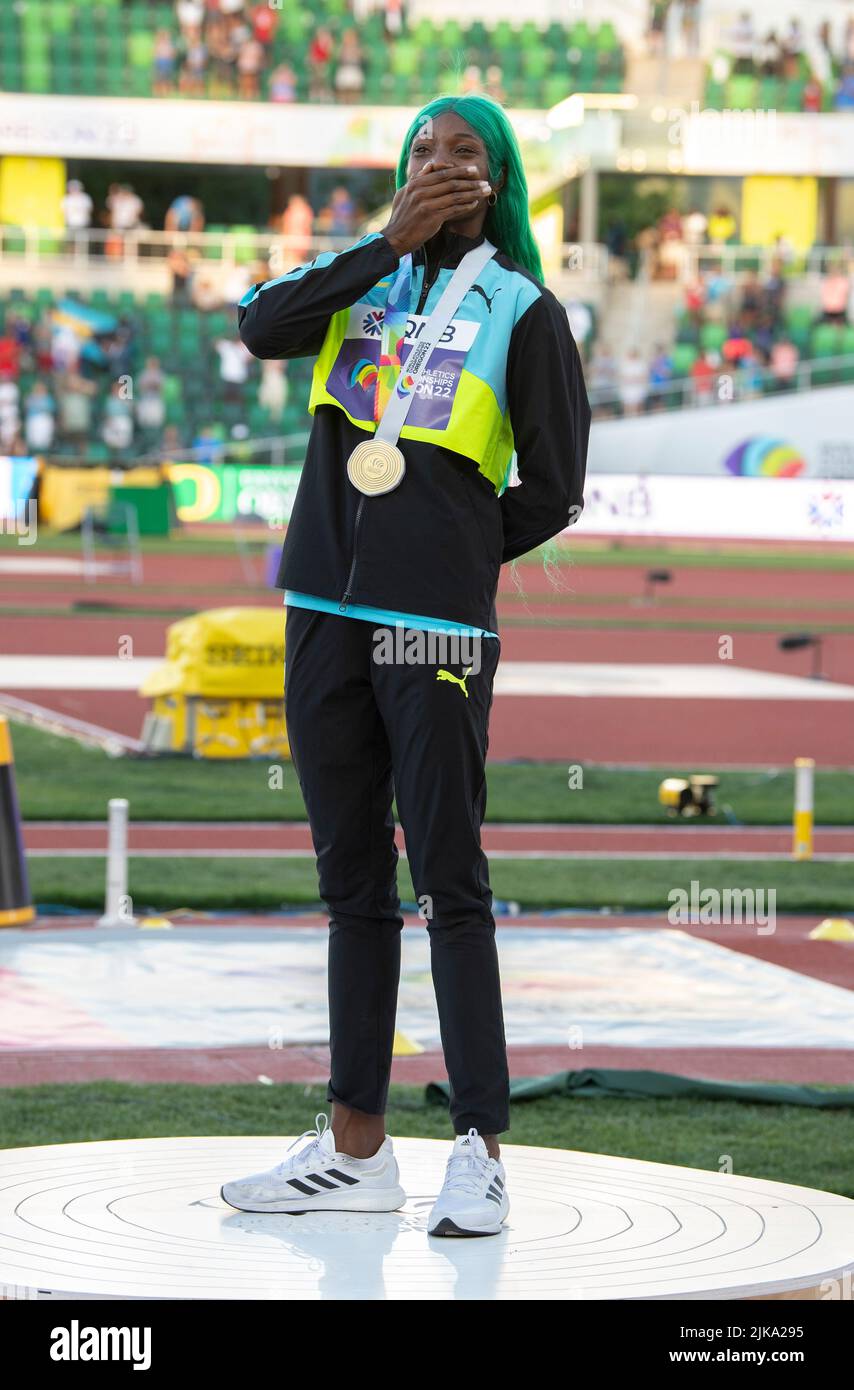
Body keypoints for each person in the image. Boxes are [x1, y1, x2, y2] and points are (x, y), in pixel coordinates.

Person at [222, 94, 589, 1238]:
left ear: (499, 182)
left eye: (463, 155)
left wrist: (448, 554)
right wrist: (381, 239)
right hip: (322, 607)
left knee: (448, 879)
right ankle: (352, 1144)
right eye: (421, 151)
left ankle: (477, 1147)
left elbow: (554, 483)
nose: (439, 167)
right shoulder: (359, 276)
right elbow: (258, 326)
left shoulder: (523, 309)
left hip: (432, 625)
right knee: (350, 886)